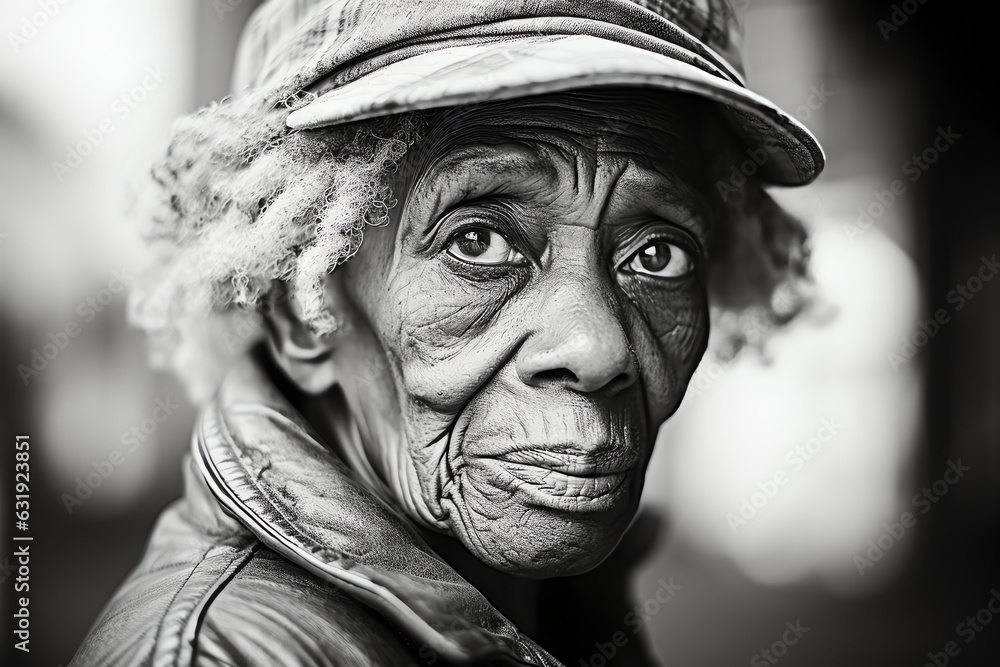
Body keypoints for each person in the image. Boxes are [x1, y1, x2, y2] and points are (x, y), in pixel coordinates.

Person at [71, 1, 824, 665]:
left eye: (655, 254)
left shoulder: (559, 595)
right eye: (478, 242)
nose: (601, 348)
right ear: (303, 310)